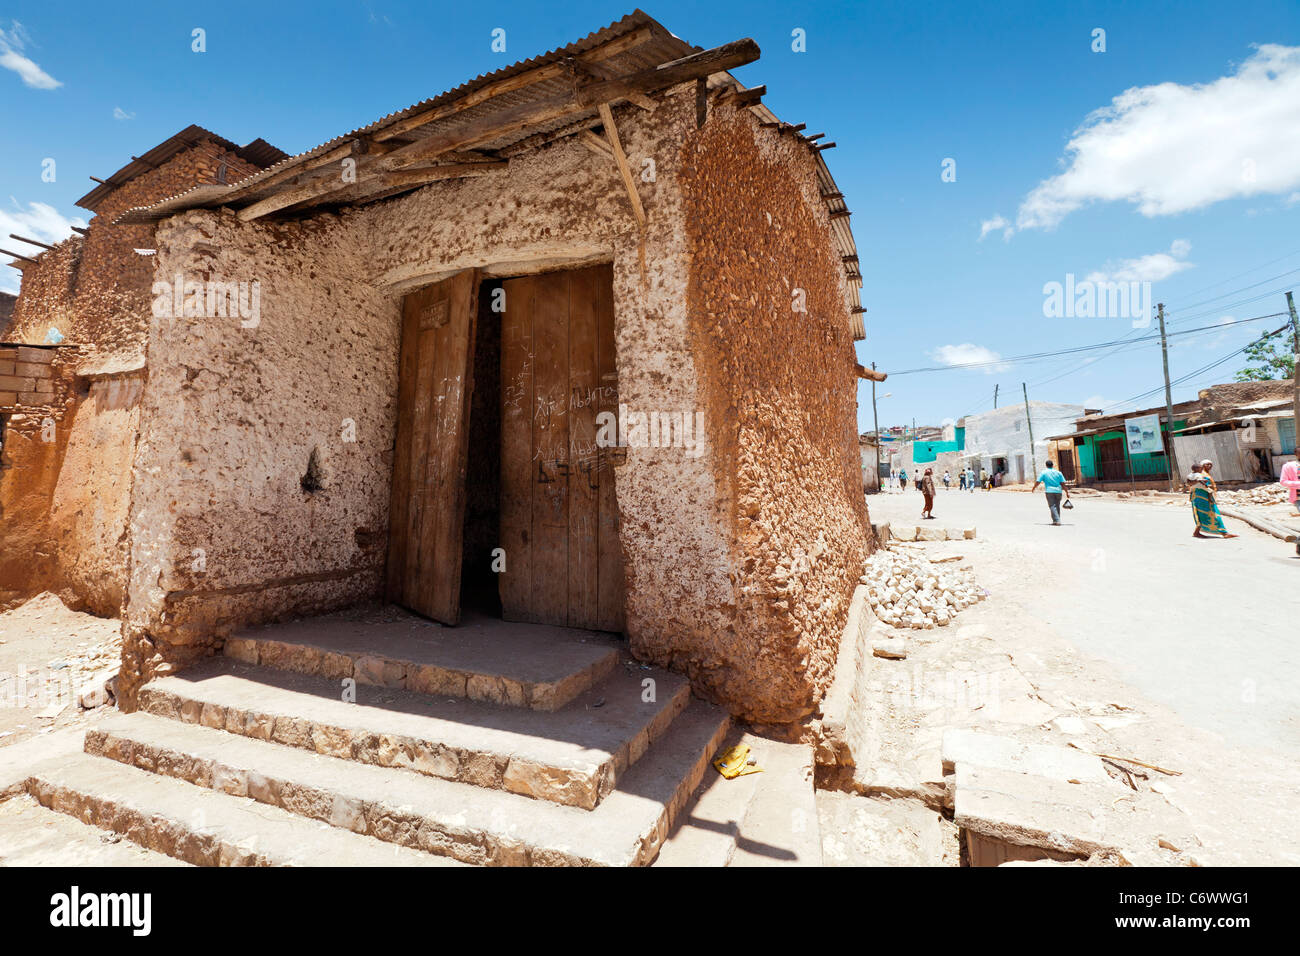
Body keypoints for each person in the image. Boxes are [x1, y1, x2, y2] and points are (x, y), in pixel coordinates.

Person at [1189, 460, 1237, 538]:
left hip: (1198, 496)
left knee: (1201, 514)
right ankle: (1224, 533)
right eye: (1207, 464)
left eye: (1211, 464)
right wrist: (1210, 497)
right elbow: (1204, 487)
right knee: (1213, 513)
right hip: (1203, 496)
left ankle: (1197, 532)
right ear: (1202, 466)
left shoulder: (1196, 475)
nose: (1210, 466)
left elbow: (1191, 484)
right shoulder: (1202, 475)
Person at [1031, 458, 1070, 525]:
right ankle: (1056, 520)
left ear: (1046, 465)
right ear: (1052, 465)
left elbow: (1038, 481)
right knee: (1057, 505)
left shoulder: (1044, 472)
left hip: (1049, 491)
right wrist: (1067, 492)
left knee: (1052, 506)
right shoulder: (1058, 473)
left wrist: (1034, 488)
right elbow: (1063, 484)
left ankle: (1057, 520)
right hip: (1058, 491)